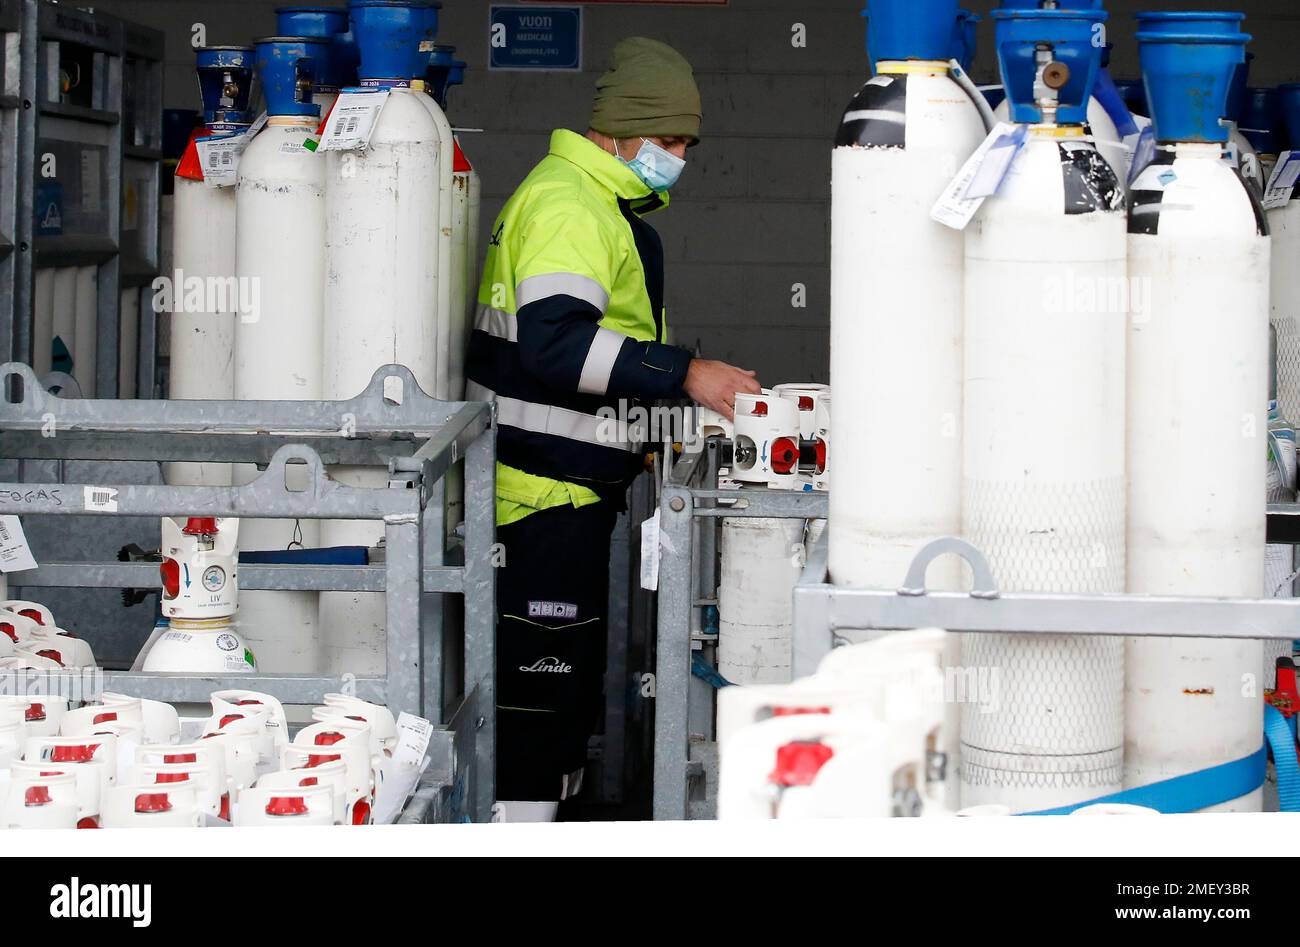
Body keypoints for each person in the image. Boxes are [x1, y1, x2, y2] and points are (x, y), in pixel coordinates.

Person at [465, 37, 761, 821]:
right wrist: (685, 375)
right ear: (621, 130)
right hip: (539, 503)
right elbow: (557, 344)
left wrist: (662, 420)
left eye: (686, 145)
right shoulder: (571, 206)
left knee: (557, 698)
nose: (676, 158)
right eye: (666, 140)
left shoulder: (596, 202)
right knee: (541, 702)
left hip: (560, 493)